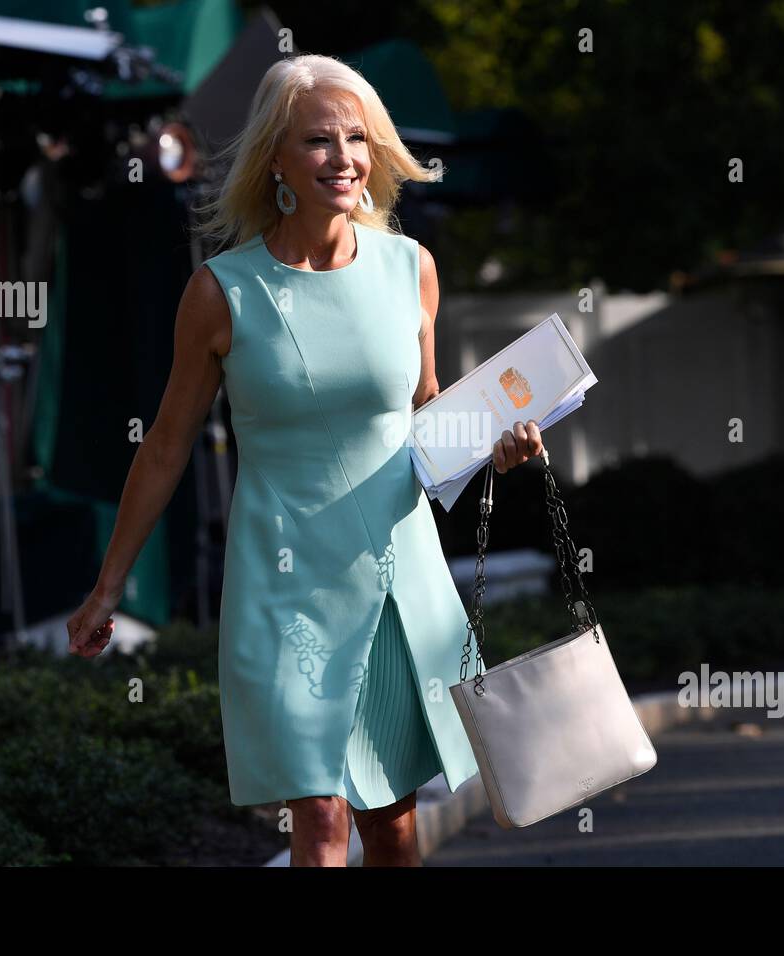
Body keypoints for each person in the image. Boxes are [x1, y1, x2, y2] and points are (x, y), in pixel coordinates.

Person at [66, 54, 543, 867]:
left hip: (398, 572)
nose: (346, 158)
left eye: (358, 138)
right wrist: (109, 583)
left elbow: (424, 409)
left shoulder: (410, 270)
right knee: (318, 817)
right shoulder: (223, 292)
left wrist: (498, 442)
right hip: (283, 583)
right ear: (275, 160)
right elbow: (168, 443)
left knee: (391, 820)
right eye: (319, 141)